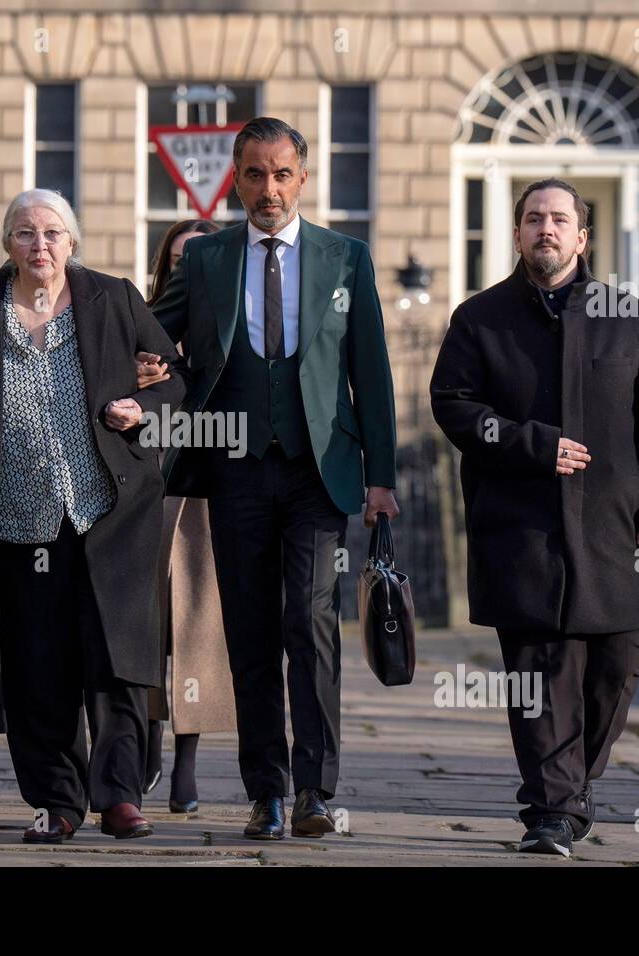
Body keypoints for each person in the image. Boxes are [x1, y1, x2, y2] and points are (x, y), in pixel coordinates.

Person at [0, 188, 188, 843]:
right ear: (8, 243)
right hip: (15, 521)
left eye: (53, 233)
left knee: (117, 660)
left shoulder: (113, 298)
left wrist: (143, 410)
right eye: (26, 234)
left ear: (72, 242)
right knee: (37, 666)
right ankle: (57, 802)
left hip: (108, 514)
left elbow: (174, 378)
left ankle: (119, 796)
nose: (41, 246)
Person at [151, 117, 399, 840]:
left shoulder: (346, 258)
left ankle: (317, 791)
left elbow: (372, 372)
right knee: (250, 631)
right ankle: (268, 792)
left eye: (281, 174)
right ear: (236, 177)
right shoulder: (207, 259)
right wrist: (140, 364)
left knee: (311, 619)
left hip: (318, 470)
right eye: (254, 174)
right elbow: (148, 326)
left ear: (302, 178)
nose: (268, 188)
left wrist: (380, 477)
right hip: (232, 469)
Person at [429, 178, 639, 856]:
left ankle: (571, 786)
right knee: (541, 673)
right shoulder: (479, 319)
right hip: (521, 525)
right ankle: (550, 809)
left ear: (582, 237)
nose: (546, 228)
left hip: (615, 527)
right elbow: (453, 406)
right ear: (517, 234)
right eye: (534, 218)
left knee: (617, 665)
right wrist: (529, 444)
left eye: (559, 219)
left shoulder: (626, 315)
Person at [136, 219, 237, 814]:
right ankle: (148, 742)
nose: (188, 268)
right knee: (145, 630)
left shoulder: (228, 323)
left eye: (198, 257)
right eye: (178, 259)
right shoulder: (143, 322)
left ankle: (188, 763)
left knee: (198, 631)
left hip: (207, 491)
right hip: (149, 491)